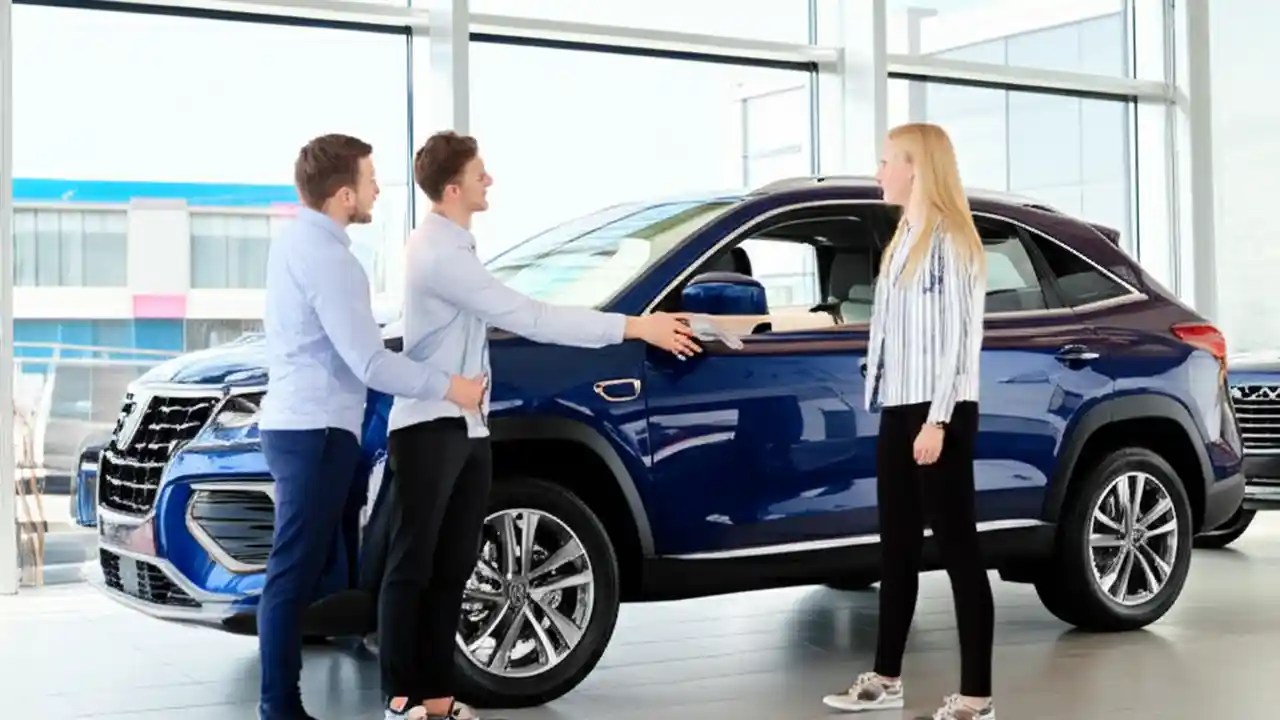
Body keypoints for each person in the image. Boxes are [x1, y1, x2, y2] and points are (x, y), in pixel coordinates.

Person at [378, 130, 700, 720]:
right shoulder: (438, 252)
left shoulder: (456, 246)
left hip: (467, 428)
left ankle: (439, 700)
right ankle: (403, 700)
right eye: (480, 173)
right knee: (415, 566)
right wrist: (635, 327)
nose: (489, 180)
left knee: (452, 567)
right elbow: (529, 316)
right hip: (430, 429)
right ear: (453, 188)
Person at [256, 133, 487, 720]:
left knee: (329, 568)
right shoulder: (331, 260)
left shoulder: (297, 244)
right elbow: (369, 363)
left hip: (313, 427)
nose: (377, 188)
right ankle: (279, 708)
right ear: (341, 195)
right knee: (293, 573)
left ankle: (380, 691)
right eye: (368, 179)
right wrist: (448, 386)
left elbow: (349, 345)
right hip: (315, 431)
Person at [821, 123, 993, 720]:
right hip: (901, 408)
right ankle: (886, 677)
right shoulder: (904, 240)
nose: (878, 172)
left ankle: (976, 697)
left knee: (959, 549)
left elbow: (959, 343)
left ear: (917, 167)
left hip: (938, 413)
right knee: (895, 550)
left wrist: (937, 422)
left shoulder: (952, 241)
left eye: (886, 160)